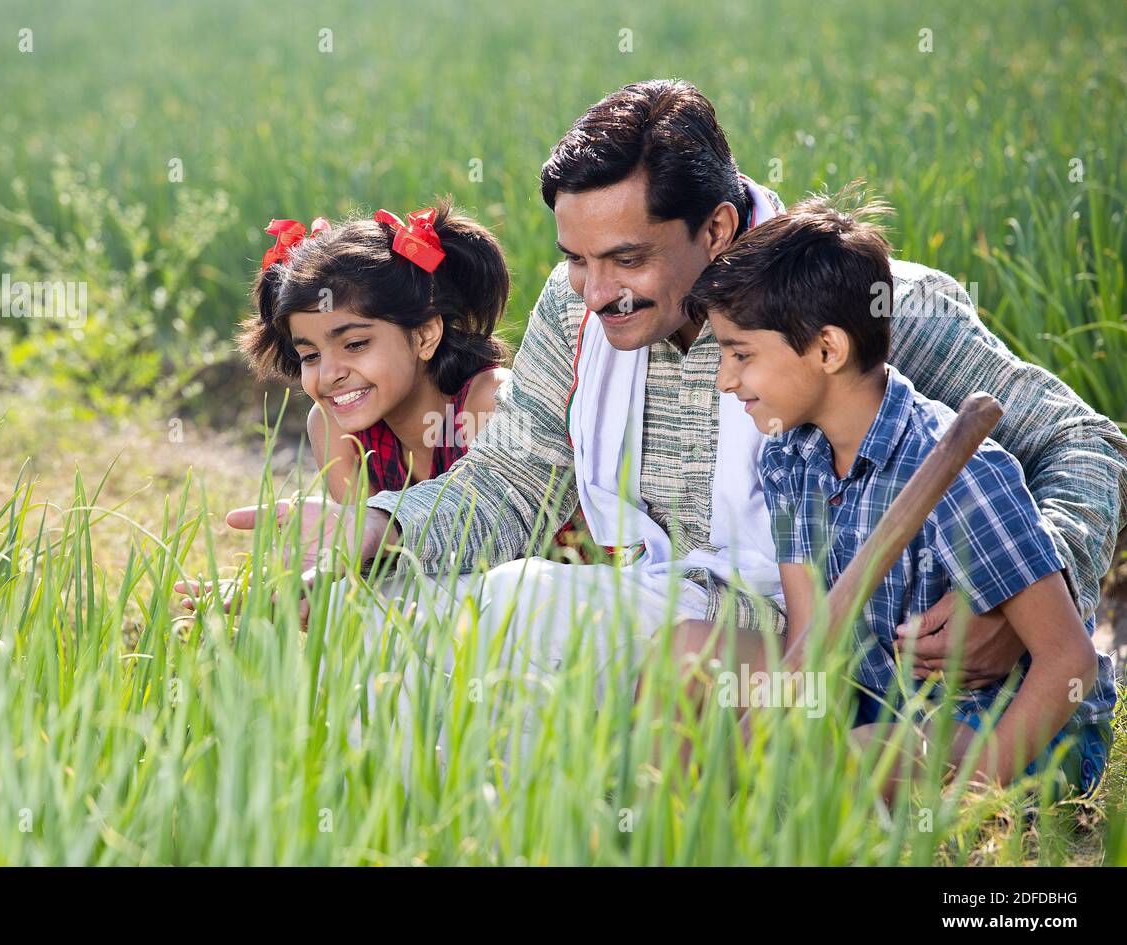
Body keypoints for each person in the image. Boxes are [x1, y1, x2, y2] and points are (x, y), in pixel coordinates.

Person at [215, 79, 1127, 713]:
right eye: (574, 258)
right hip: (660, 612)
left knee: (522, 607)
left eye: (628, 258)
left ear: (718, 226)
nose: (592, 288)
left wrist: (1020, 603)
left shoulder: (867, 304)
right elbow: (513, 484)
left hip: (820, 639)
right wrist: (385, 527)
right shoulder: (574, 314)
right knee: (344, 619)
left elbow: (1084, 444)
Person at [670, 193, 1116, 796]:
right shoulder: (787, 455)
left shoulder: (964, 473)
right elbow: (813, 646)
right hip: (876, 696)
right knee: (687, 652)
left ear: (827, 349)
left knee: (870, 754)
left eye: (740, 354)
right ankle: (666, 826)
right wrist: (773, 728)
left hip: (1003, 726)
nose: (725, 379)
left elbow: (1069, 662)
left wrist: (980, 784)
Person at [237, 200, 511, 503]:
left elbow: (503, 537)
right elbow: (368, 545)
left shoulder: (489, 404)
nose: (330, 375)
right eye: (311, 356)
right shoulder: (333, 429)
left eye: (355, 345)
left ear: (424, 335)